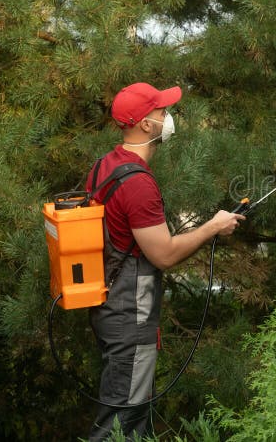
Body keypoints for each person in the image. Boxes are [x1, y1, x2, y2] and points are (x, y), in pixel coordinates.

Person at [87, 82, 244, 441]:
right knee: (123, 420)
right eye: (161, 112)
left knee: (121, 409)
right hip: (131, 313)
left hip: (110, 305)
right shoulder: (138, 183)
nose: (167, 117)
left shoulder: (104, 166)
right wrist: (213, 227)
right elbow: (164, 254)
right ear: (145, 125)